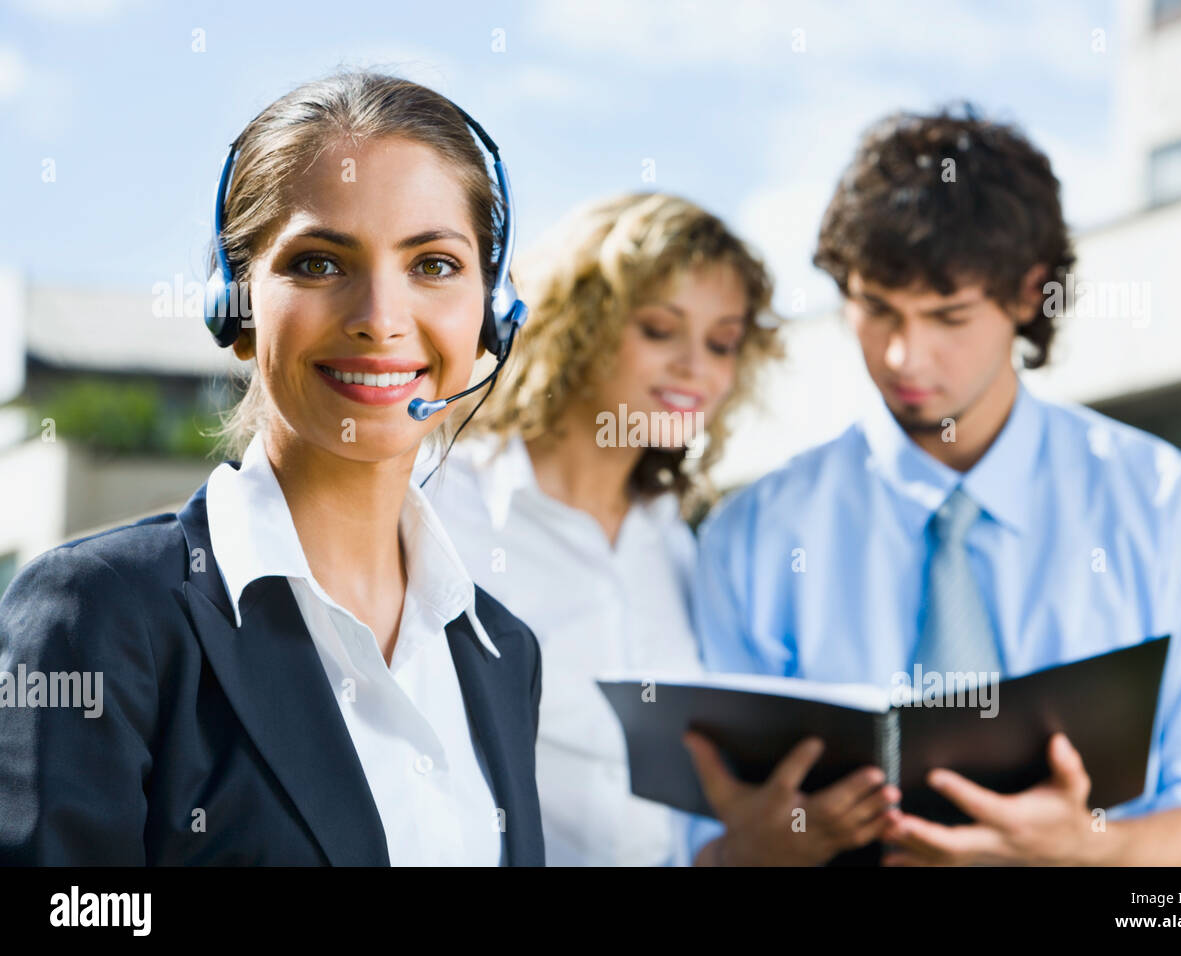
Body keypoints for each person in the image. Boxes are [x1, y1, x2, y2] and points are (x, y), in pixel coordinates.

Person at [686, 106, 1181, 866]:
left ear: (1029, 294)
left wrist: (1091, 849)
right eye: (876, 309)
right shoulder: (753, 535)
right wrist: (751, 852)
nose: (906, 355)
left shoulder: (1169, 506)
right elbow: (702, 834)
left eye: (948, 315)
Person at [0, 71, 544, 866]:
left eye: (433, 264)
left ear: (491, 313)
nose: (381, 320)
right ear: (236, 305)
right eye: (321, 263)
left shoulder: (503, 652)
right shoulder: (97, 614)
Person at [423, 192, 782, 865]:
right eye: (657, 329)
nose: (695, 368)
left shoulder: (675, 539)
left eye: (722, 342)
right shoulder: (439, 506)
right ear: (578, 326)